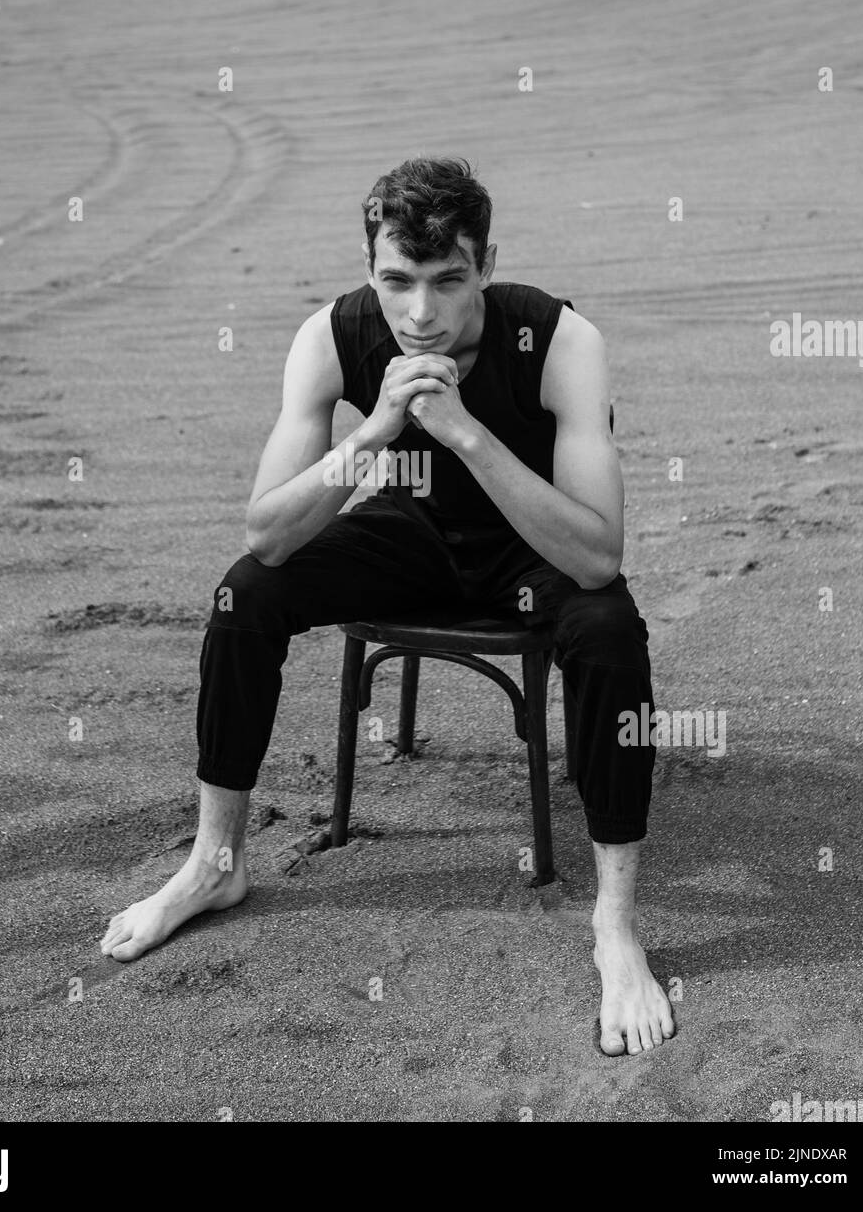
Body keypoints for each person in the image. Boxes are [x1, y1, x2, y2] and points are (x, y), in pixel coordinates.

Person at [102, 157, 676, 1056]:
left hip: (534, 546)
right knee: (242, 596)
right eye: (397, 282)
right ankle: (215, 864)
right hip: (406, 539)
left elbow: (597, 556)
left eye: (449, 280)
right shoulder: (331, 338)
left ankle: (616, 924)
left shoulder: (561, 342)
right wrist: (372, 435)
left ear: (487, 264)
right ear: (371, 270)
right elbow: (267, 535)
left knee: (608, 633)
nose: (421, 313)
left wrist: (465, 433)